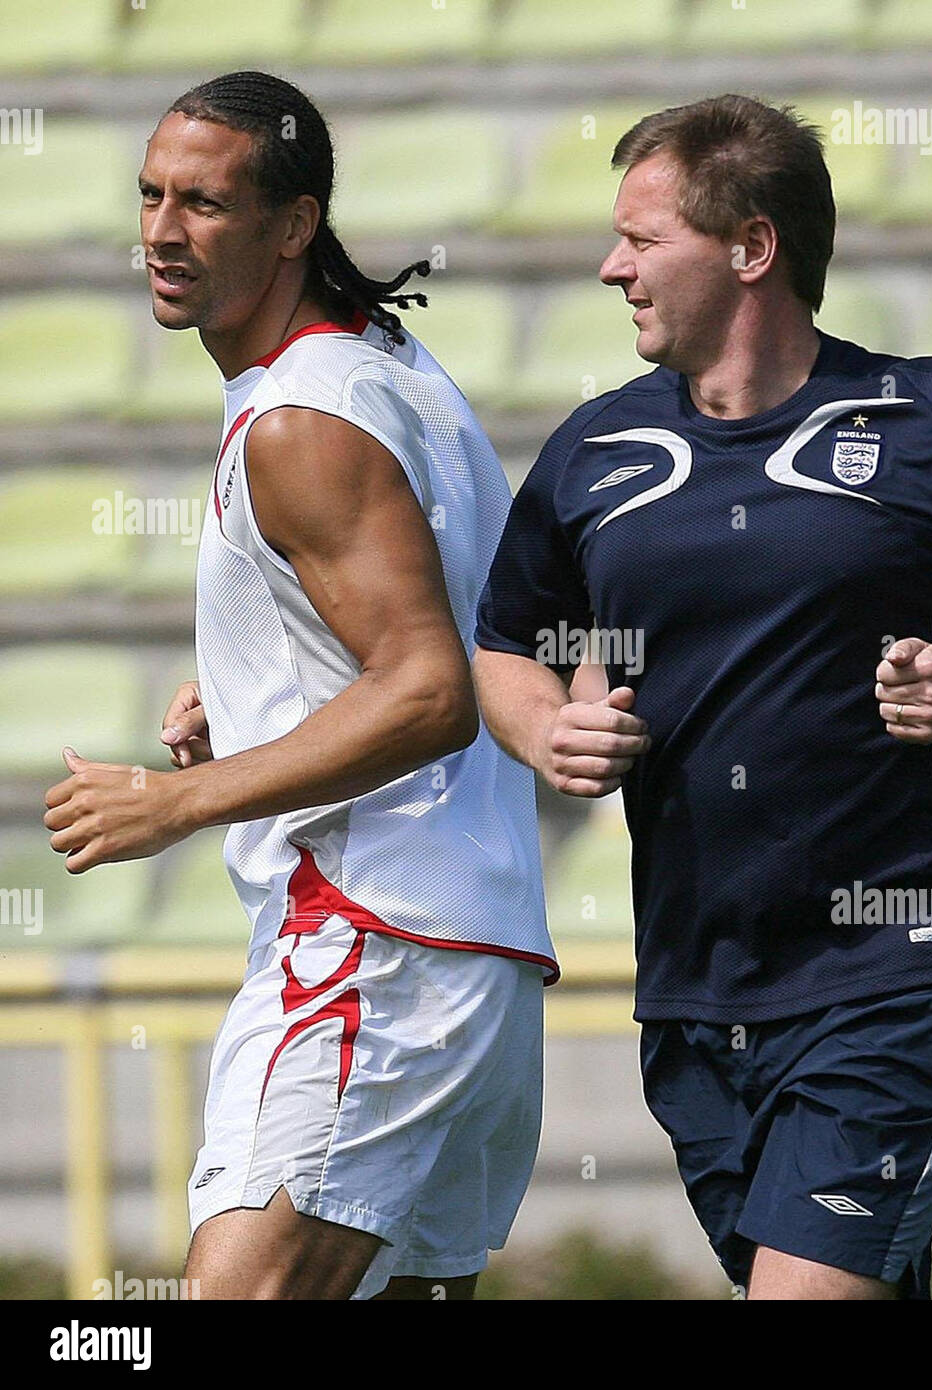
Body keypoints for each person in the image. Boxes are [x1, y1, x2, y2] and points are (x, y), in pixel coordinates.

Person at [471, 94, 932, 1300]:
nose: (611, 268)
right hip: (695, 992)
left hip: (894, 970)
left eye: (642, 241)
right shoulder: (595, 453)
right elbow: (503, 645)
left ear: (751, 248)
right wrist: (550, 728)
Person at [42, 71, 555, 1300]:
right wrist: (255, 679)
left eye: (206, 204)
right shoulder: (386, 363)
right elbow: (426, 620)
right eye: (152, 196)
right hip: (466, 955)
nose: (163, 232)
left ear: (293, 225)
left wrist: (179, 805)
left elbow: (429, 691)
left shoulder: (300, 419)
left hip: (369, 942)